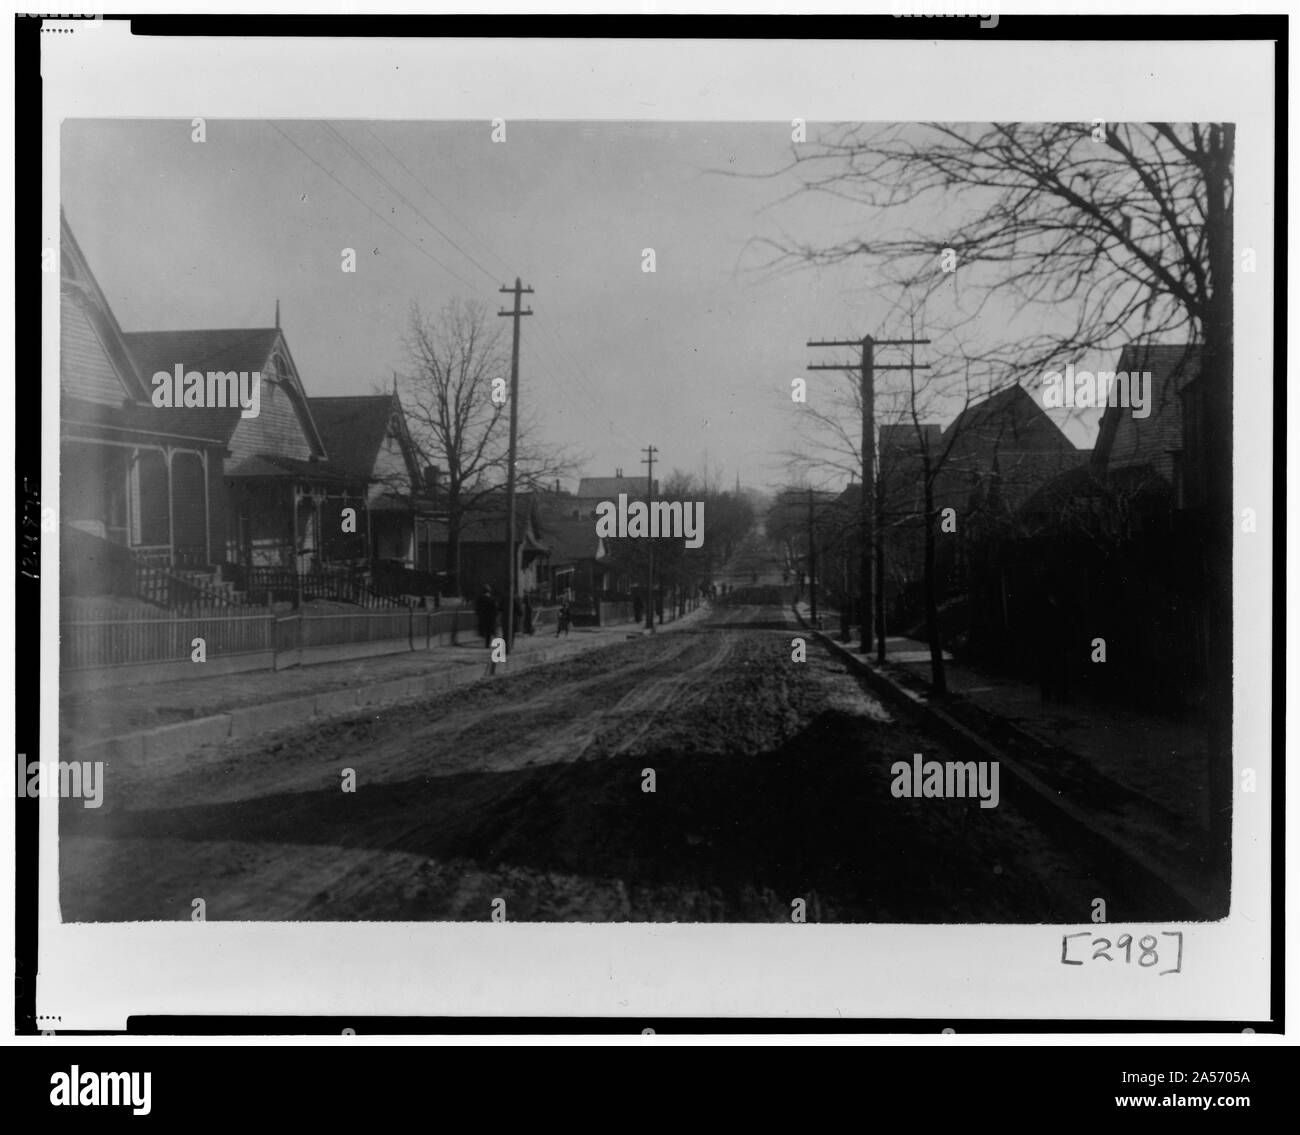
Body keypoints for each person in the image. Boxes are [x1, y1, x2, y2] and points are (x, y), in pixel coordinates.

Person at [475, 584, 498, 649]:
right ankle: (487, 644)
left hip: (482, 617)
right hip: (490, 618)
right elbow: (495, 609)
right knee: (489, 632)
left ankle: (485, 643)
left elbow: (477, 608)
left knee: (484, 630)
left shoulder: (479, 599)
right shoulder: (492, 599)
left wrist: (479, 614)